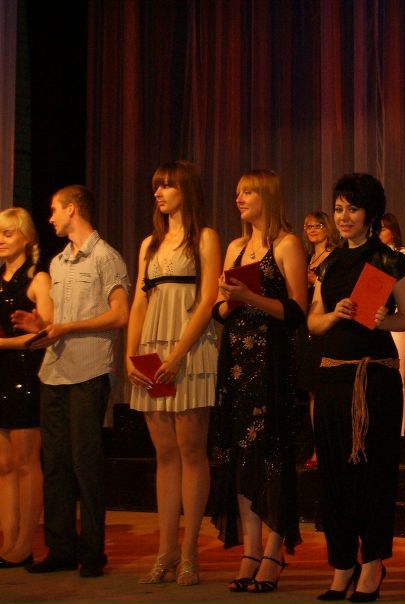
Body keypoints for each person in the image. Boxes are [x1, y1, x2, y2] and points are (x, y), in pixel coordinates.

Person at [308, 173, 405, 602]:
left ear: (370, 214)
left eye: (352, 209)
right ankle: (342, 565)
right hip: (332, 378)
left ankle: (372, 563)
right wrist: (334, 314)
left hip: (374, 378)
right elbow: (313, 320)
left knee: (373, 475)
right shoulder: (330, 262)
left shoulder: (388, 259)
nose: (343, 216)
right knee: (334, 476)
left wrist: (383, 321)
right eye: (338, 209)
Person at [13, 185, 129, 578]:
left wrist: (68, 327)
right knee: (56, 463)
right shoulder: (58, 262)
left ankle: (92, 552)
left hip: (88, 371)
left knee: (85, 462)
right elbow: (55, 323)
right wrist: (40, 325)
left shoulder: (106, 257)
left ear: (73, 210)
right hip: (54, 372)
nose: (50, 219)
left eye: (54, 210)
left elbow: (120, 315)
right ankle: (60, 548)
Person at [208, 169, 307, 593]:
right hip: (236, 360)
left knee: (271, 455)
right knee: (239, 456)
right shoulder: (235, 247)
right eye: (237, 192)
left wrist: (250, 297)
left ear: (267, 195)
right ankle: (250, 550)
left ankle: (273, 549)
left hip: (272, 361)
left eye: (247, 191)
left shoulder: (286, 244)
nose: (239, 198)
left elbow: (298, 310)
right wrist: (228, 301)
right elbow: (219, 309)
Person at [127, 161, 221, 586]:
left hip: (191, 351)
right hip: (153, 351)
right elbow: (139, 302)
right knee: (164, 455)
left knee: (191, 451)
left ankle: (189, 553)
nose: (159, 192)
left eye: (166, 185)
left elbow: (208, 300)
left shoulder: (205, 238)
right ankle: (165, 551)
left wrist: (180, 353)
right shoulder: (150, 244)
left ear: (186, 189)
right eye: (156, 186)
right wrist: (131, 355)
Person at [0, 208, 52, 568]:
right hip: (1, 374)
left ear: (26, 238)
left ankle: (24, 543)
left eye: (8, 233)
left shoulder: (38, 279)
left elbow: (47, 332)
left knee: (25, 463)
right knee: (4, 465)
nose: (1, 240)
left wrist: (9, 341)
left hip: (25, 374)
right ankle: (9, 542)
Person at [299, 210, 339, 469]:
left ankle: (333, 447)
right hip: (305, 329)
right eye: (308, 226)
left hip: (327, 328)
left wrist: (315, 280)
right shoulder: (304, 258)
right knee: (312, 390)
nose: (312, 230)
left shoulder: (335, 256)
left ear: (327, 228)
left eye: (317, 225)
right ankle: (317, 449)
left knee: (328, 390)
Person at [379, 212, 405, 435]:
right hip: (374, 323)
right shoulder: (370, 255)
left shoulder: (402, 254)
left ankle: (399, 432)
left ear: (393, 232)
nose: (379, 232)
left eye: (384, 228)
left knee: (398, 378)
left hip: (396, 320)